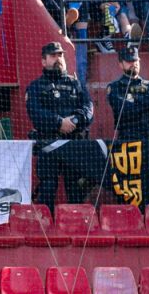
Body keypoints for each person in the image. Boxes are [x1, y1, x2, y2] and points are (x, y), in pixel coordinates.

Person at [26, 40, 96, 203]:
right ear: (44, 61)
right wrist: (59, 123)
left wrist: (75, 120)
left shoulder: (76, 83)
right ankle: (46, 224)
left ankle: (76, 226)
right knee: (48, 188)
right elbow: (35, 113)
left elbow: (89, 108)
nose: (58, 59)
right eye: (53, 56)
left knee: (76, 188)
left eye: (60, 55)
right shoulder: (35, 86)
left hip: (74, 144)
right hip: (48, 144)